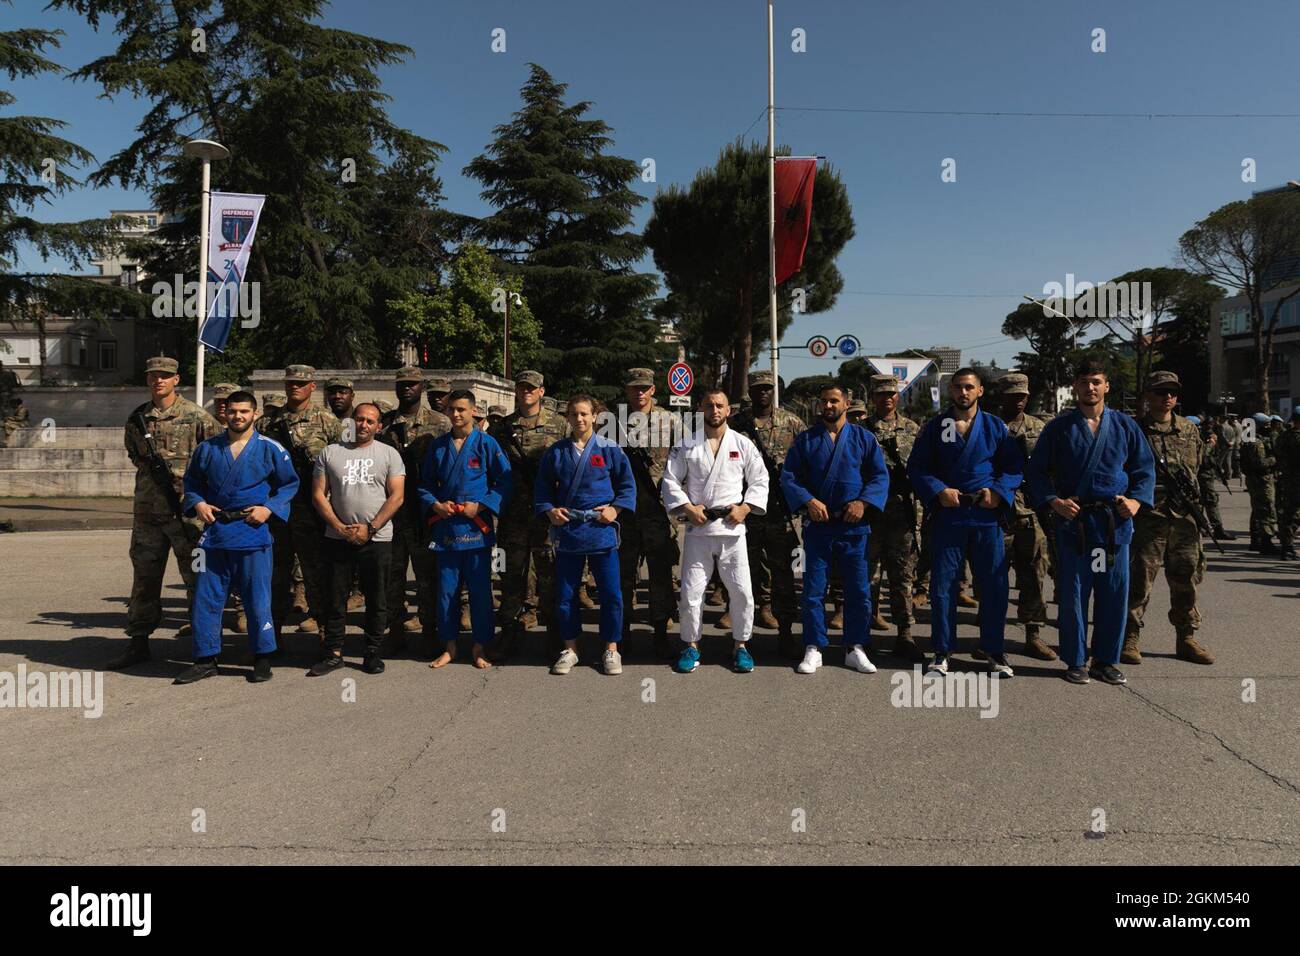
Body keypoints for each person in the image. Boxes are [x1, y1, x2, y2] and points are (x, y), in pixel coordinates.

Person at [1026, 362, 1154, 685]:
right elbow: (1036, 472)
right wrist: (1054, 502)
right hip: (1076, 525)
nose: (1090, 388)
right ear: (1075, 387)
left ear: (1107, 386)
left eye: (1096, 382)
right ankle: (1076, 659)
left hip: (1114, 525)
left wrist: (1136, 501)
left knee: (1114, 593)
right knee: (1073, 595)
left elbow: (1144, 469)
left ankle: (1105, 660)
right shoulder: (1059, 428)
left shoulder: (1125, 426)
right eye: (1084, 382)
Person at [907, 368, 1023, 678]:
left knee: (994, 585)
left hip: (986, 515)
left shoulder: (996, 427)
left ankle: (994, 650)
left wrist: (999, 493)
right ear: (951, 391)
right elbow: (917, 468)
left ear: (980, 391)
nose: (963, 392)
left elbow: (1013, 467)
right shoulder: (935, 427)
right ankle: (942, 650)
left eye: (969, 387)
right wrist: (938, 490)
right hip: (950, 514)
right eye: (958, 387)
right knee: (943, 586)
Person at [176, 391, 299, 683]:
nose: (238, 416)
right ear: (224, 414)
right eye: (232, 411)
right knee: (206, 598)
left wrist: (269, 509)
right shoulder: (207, 449)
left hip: (252, 531)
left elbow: (289, 484)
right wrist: (198, 503)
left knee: (257, 599)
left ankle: (262, 657)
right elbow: (191, 481)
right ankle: (205, 658)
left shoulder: (270, 448)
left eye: (244, 411)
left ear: (255, 413)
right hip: (215, 533)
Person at [110, 356, 221, 669]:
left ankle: (205, 647)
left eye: (165, 376)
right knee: (144, 578)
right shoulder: (137, 419)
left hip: (188, 515)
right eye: (153, 376)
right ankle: (138, 641)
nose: (158, 380)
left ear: (176, 380)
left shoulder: (198, 417)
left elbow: (217, 460)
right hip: (147, 513)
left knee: (197, 579)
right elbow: (136, 458)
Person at [781, 384, 890, 675]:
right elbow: (789, 477)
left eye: (834, 401)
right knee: (814, 590)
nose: (828, 406)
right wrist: (808, 500)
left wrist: (864, 503)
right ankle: (814, 646)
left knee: (858, 590)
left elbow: (879, 476)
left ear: (847, 402)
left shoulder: (864, 438)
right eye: (824, 401)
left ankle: (855, 646)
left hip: (855, 526)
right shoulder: (806, 440)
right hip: (819, 525)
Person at [661, 387, 769, 674]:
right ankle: (691, 645)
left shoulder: (743, 443)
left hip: (732, 529)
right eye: (709, 405)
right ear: (701, 409)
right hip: (699, 529)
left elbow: (760, 479)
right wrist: (687, 507)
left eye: (720, 405)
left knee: (742, 591)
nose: (715, 410)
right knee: (691, 592)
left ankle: (741, 646)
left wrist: (746, 508)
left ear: (728, 410)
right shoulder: (687, 444)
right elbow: (670, 480)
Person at [534, 394, 636, 676]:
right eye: (573, 414)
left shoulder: (610, 449)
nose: (578, 419)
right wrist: (550, 510)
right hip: (569, 529)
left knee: (611, 593)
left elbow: (627, 486)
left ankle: (611, 648)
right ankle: (571, 648)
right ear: (567, 418)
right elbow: (542, 490)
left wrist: (615, 510)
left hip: (601, 528)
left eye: (584, 414)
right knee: (566, 594)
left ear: (595, 416)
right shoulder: (556, 452)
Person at [1126, 370, 1217, 665]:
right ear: (1147, 395)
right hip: (1149, 517)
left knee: (1186, 579)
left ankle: (1186, 637)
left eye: (1172, 392)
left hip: (1185, 519)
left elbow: (1202, 470)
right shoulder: (1135, 430)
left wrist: (1206, 506)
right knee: (1140, 580)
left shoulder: (1189, 430)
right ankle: (1129, 637)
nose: (1168, 397)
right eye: (1161, 391)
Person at [417, 389, 512, 670]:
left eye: (461, 409)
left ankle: (481, 646)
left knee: (481, 591)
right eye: (452, 410)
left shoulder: (487, 444)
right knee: (447, 590)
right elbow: (424, 485)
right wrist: (435, 505)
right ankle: (449, 646)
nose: (456, 414)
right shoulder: (438, 446)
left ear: (473, 411)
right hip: (447, 529)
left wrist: (481, 506)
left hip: (476, 528)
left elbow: (504, 482)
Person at [310, 402, 406, 676]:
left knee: (377, 598)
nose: (363, 425)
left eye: (370, 421)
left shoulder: (389, 454)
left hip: (377, 539)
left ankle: (372, 652)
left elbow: (397, 496)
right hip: (337, 537)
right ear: (351, 422)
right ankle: (333, 652)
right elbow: (318, 495)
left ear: (378, 426)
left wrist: (371, 528)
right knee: (335, 597)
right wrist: (339, 527)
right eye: (359, 419)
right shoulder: (331, 453)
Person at [255, 365, 341, 641]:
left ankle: (327, 637)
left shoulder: (327, 421)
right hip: (277, 507)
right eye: (291, 382)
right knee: (275, 574)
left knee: (316, 572)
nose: (295, 387)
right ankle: (272, 636)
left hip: (311, 508)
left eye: (301, 384)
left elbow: (341, 465)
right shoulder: (267, 423)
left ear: (312, 387)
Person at [488, 370, 568, 662]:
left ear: (542, 391)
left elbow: (572, 463)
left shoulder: (559, 425)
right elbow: (491, 466)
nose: (526, 392)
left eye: (532, 388)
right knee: (511, 577)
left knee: (550, 577)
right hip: (513, 516)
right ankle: (508, 632)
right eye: (522, 388)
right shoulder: (502, 428)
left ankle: (555, 636)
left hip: (548, 515)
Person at [730, 370, 805, 658]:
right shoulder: (737, 423)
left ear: (774, 391)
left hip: (779, 511)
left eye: (767, 388)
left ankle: (786, 631)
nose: (762, 393)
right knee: (742, 572)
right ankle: (742, 635)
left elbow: (805, 460)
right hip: (745, 510)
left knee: (784, 573)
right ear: (750, 391)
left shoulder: (792, 422)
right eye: (757, 388)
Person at [378, 368, 451, 652]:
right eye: (402, 385)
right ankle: (395, 629)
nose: (406, 389)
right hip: (394, 511)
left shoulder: (440, 423)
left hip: (426, 511)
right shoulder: (385, 426)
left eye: (412, 385)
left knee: (427, 576)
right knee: (392, 575)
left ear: (421, 387)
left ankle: (430, 630)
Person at [618, 368, 679, 657]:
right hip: (625, 513)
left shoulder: (672, 421)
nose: (639, 393)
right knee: (623, 576)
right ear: (627, 391)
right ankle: (621, 632)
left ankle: (660, 631)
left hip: (658, 511)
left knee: (660, 574)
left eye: (644, 388)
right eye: (634, 388)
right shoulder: (613, 423)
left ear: (653, 390)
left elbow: (687, 463)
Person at [862, 374, 924, 662]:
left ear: (897, 397)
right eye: (881, 394)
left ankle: (905, 633)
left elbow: (923, 468)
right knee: (868, 576)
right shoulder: (861, 430)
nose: (887, 398)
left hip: (902, 512)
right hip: (871, 513)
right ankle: (864, 633)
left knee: (902, 576)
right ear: (873, 397)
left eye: (891, 393)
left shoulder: (912, 429)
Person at [994, 372, 1055, 661]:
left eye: (1022, 396)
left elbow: (1050, 469)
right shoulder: (989, 426)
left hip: (1031, 512)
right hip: (997, 512)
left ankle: (1033, 634)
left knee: (1034, 573)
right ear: (1001, 396)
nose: (1017, 400)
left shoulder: (1040, 428)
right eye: (1012, 395)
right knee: (993, 577)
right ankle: (991, 636)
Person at [1242, 412, 1281, 554]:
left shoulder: (1250, 438)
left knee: (1257, 509)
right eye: (1266, 424)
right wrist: (1275, 459)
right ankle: (1266, 542)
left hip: (1255, 479)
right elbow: (1260, 463)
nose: (1269, 427)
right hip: (1261, 480)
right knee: (1266, 509)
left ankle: (1256, 540)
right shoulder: (1256, 442)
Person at [1272, 409, 1300, 562]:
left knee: (1288, 515)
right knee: (1294, 516)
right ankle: (1288, 548)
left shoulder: (1283, 436)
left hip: (1287, 480)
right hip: (1297, 481)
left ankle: (1286, 547)